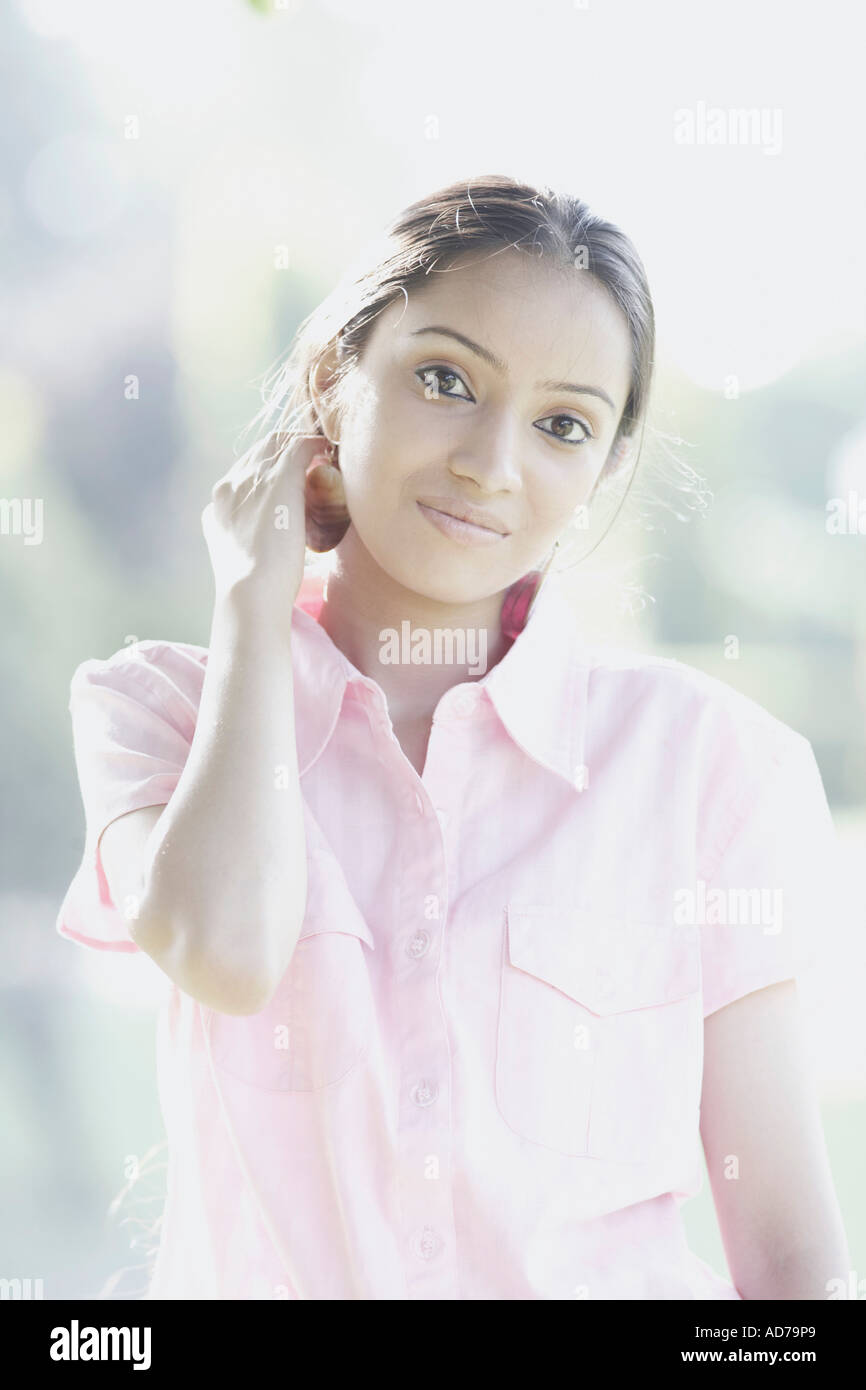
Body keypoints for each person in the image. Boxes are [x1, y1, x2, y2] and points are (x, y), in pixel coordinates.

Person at [57, 174, 850, 1300]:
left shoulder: (711, 767)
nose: (491, 461)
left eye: (561, 424)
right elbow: (225, 953)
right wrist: (252, 598)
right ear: (334, 380)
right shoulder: (156, 717)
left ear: (602, 468)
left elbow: (788, 1266)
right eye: (444, 379)